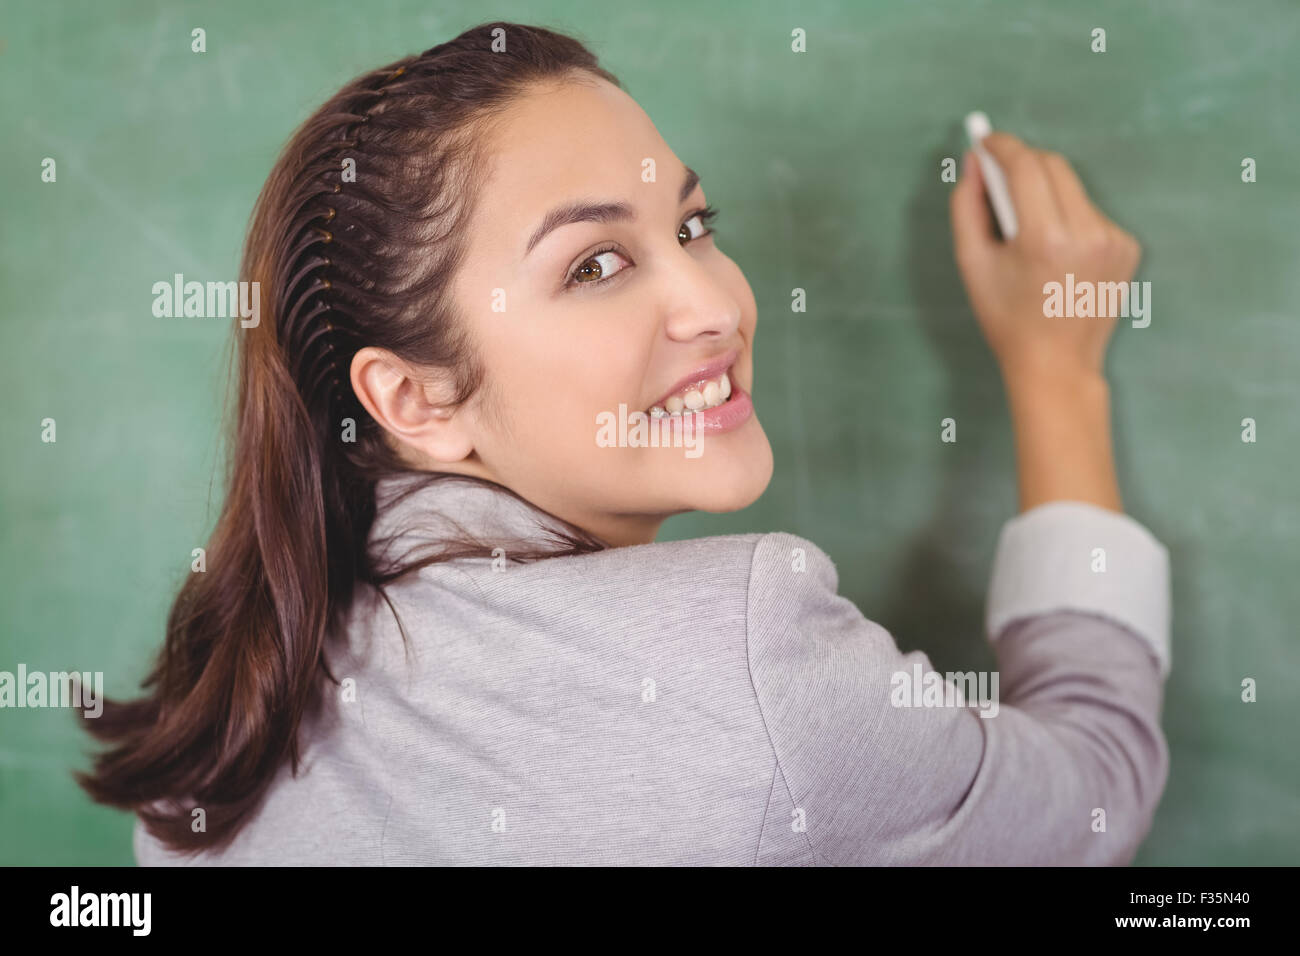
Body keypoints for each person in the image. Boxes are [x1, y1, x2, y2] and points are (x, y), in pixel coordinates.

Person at [78, 21, 1169, 865]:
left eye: (692, 226)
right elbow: (1095, 787)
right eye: (594, 265)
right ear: (413, 395)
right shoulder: (744, 657)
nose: (715, 305)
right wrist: (1056, 372)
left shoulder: (217, 721)